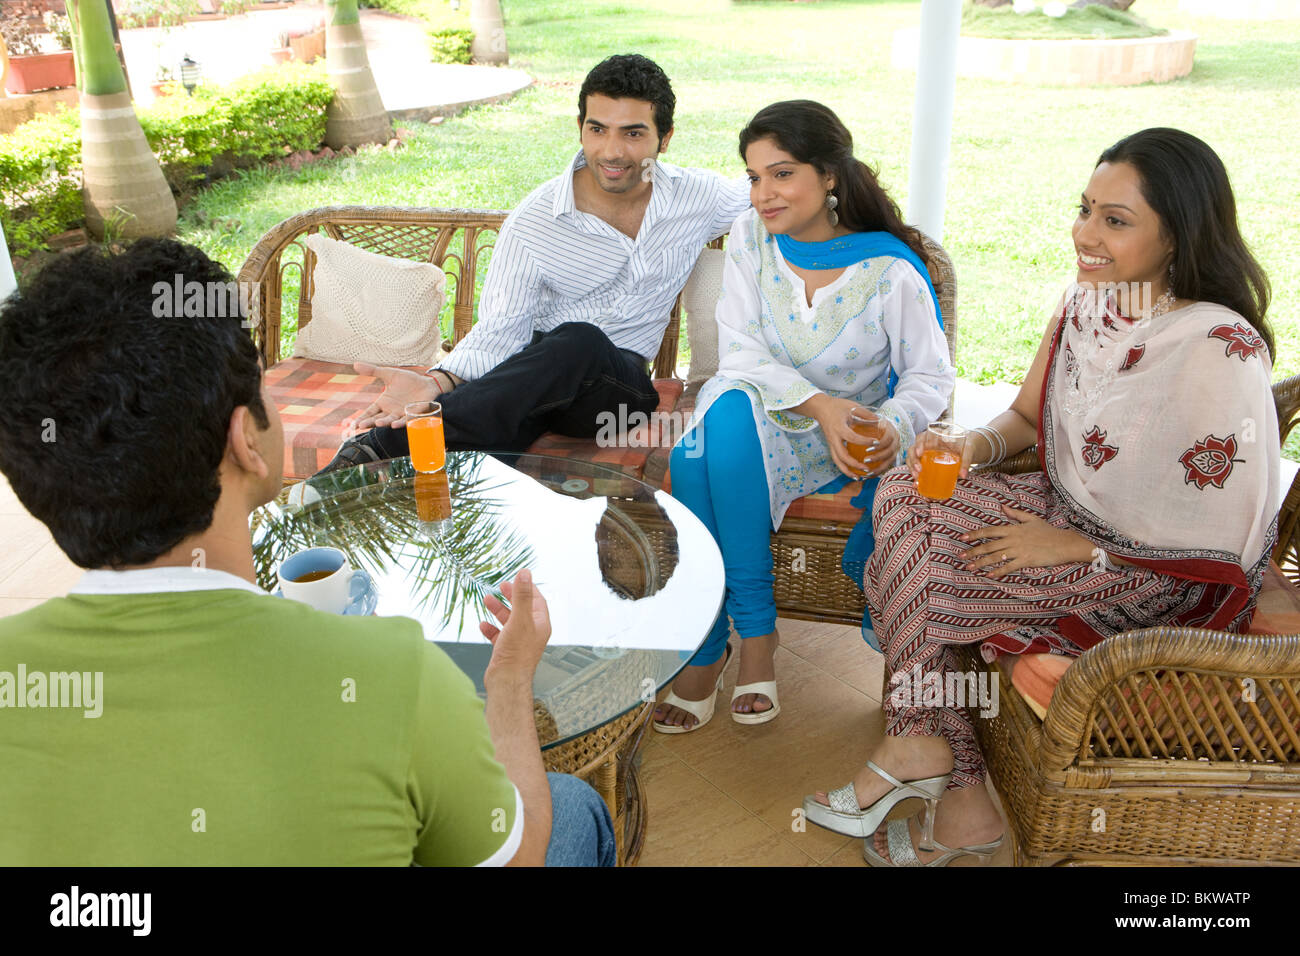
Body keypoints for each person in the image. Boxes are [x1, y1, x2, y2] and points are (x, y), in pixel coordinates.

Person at [0, 239, 615, 867]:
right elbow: (524, 857)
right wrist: (510, 680)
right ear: (245, 441)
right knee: (568, 807)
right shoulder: (393, 674)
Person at [805, 128, 1279, 866]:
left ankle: (943, 772)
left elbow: (1224, 528)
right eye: (1085, 208)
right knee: (901, 491)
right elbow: (1026, 417)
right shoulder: (1090, 302)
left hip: (1157, 575)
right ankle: (940, 768)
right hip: (1066, 515)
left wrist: (1081, 547)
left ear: (1178, 237)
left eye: (1115, 221)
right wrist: (972, 450)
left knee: (912, 577)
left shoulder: (1219, 345)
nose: (1083, 234)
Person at [653, 101, 954, 733]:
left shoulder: (889, 268)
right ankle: (751, 636)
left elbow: (931, 380)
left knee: (695, 454)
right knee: (714, 436)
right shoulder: (749, 237)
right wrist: (815, 403)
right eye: (755, 176)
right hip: (763, 401)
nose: (764, 194)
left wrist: (888, 426)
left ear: (830, 177)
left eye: (782, 174)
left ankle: (713, 645)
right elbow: (739, 349)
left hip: (842, 436)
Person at [318, 53, 749, 472]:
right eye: (598, 129)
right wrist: (438, 380)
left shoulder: (696, 197)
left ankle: (387, 444)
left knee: (579, 341)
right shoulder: (536, 220)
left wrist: (820, 181)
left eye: (633, 134)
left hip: (617, 397)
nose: (612, 151)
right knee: (484, 457)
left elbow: (774, 191)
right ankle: (353, 493)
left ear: (665, 137)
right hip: (537, 382)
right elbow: (500, 330)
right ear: (580, 128)